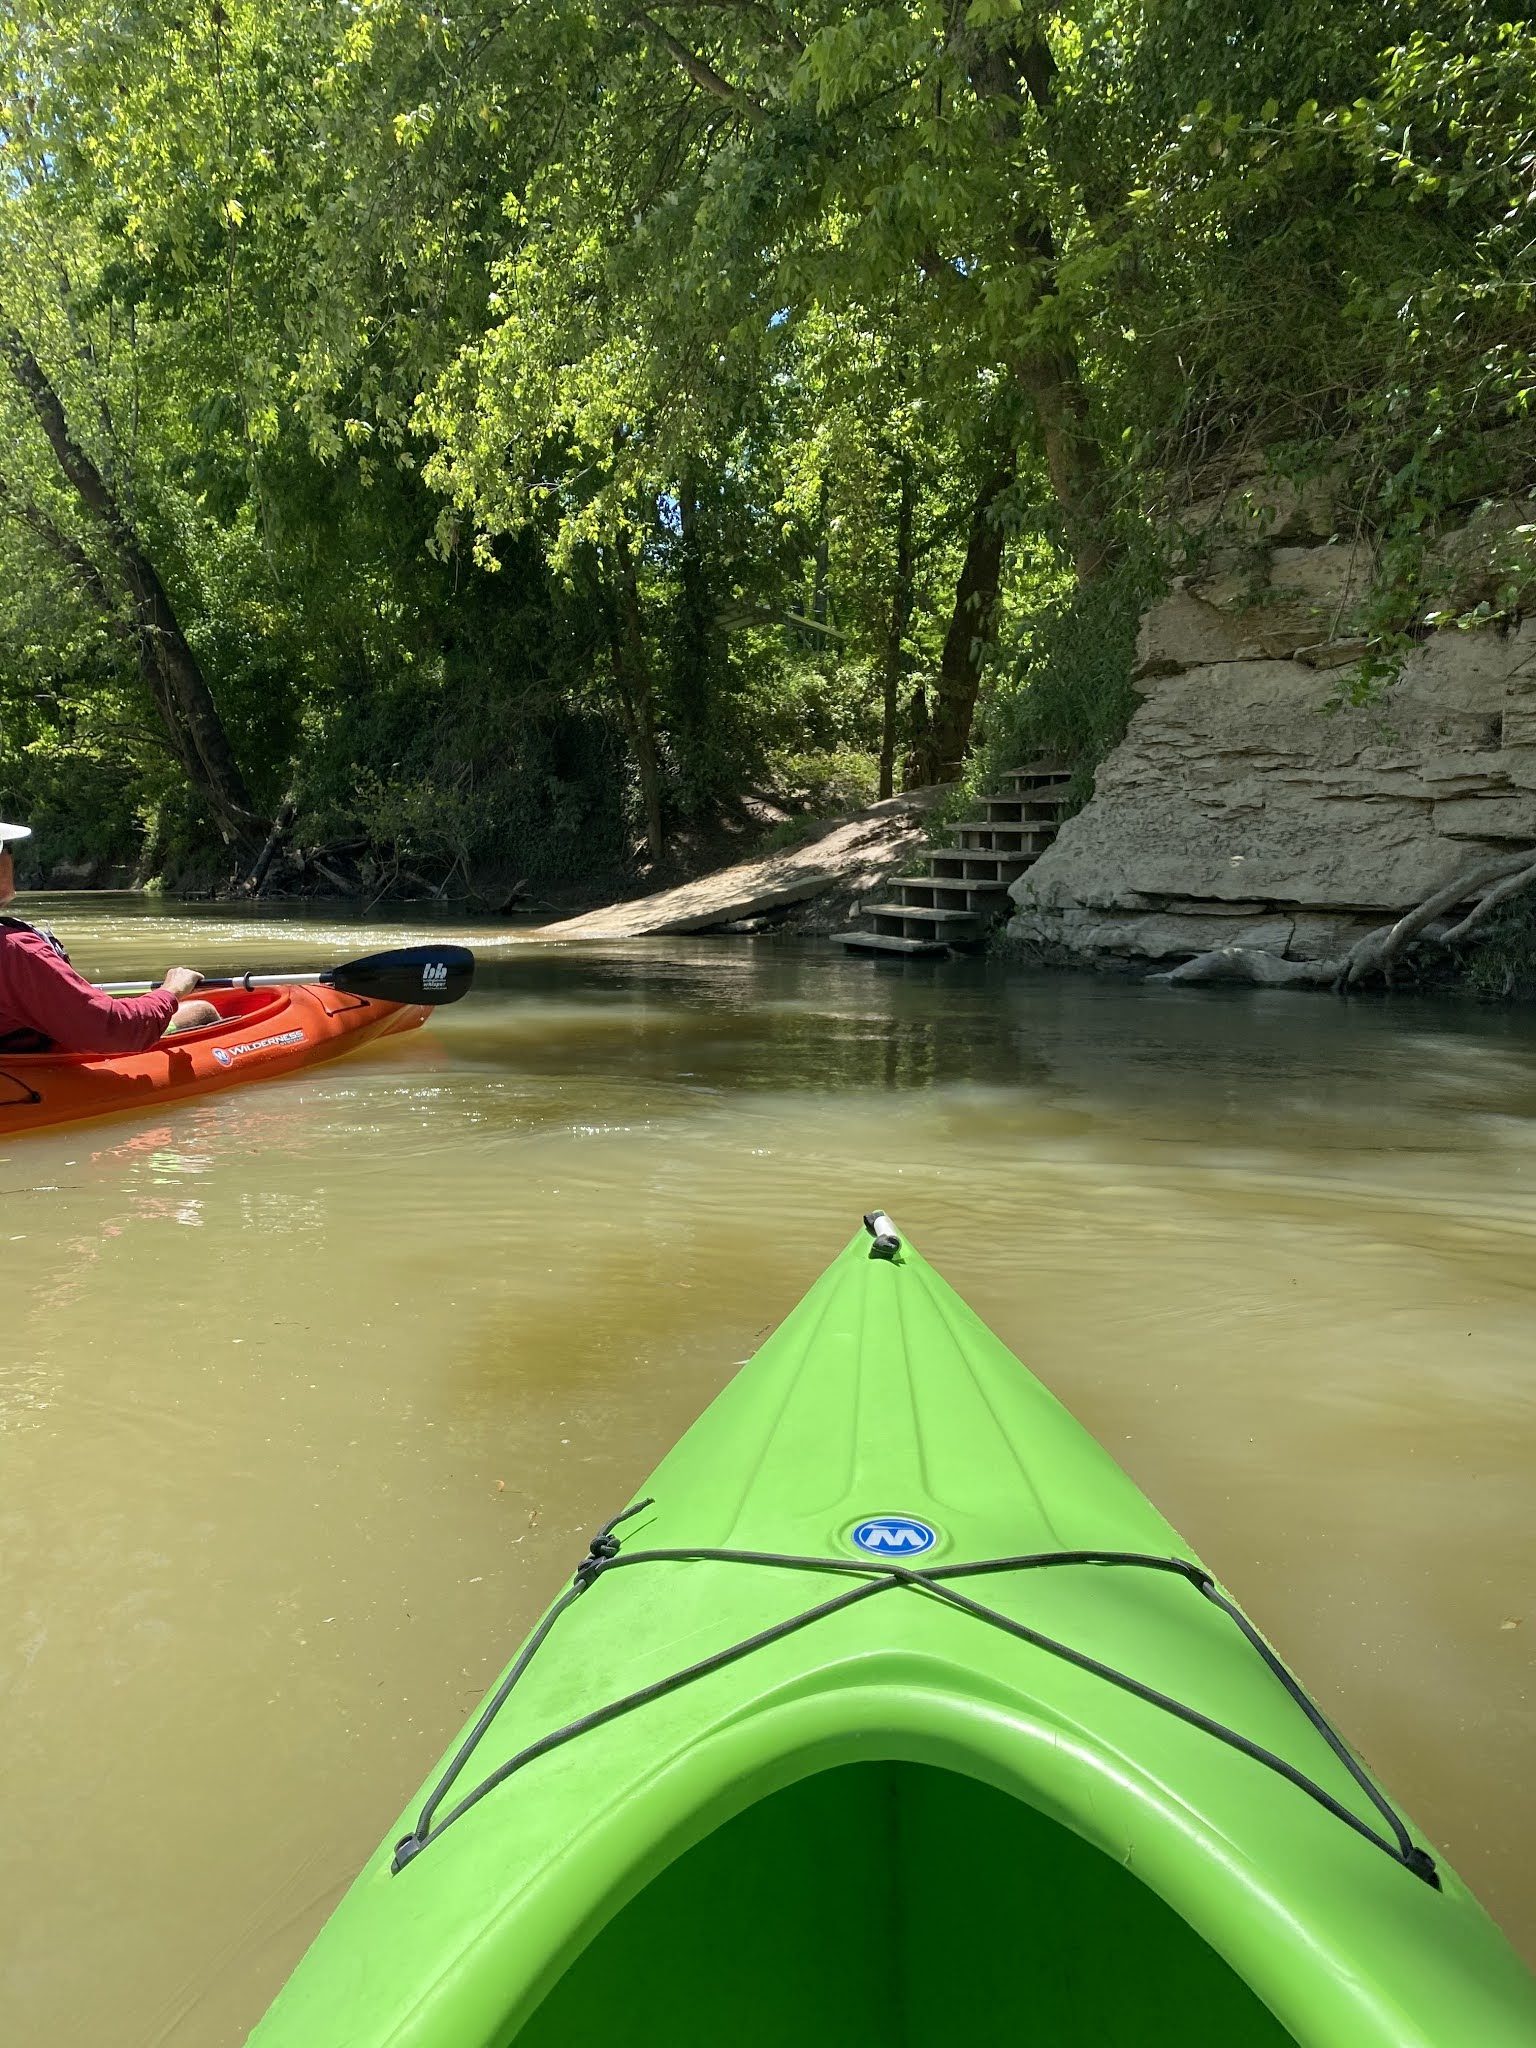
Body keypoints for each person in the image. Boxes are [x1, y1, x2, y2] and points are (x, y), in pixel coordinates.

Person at [0, 821, 220, 1053]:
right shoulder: (16, 951)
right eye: (8, 849)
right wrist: (171, 991)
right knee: (202, 1011)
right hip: (41, 1070)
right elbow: (117, 1030)